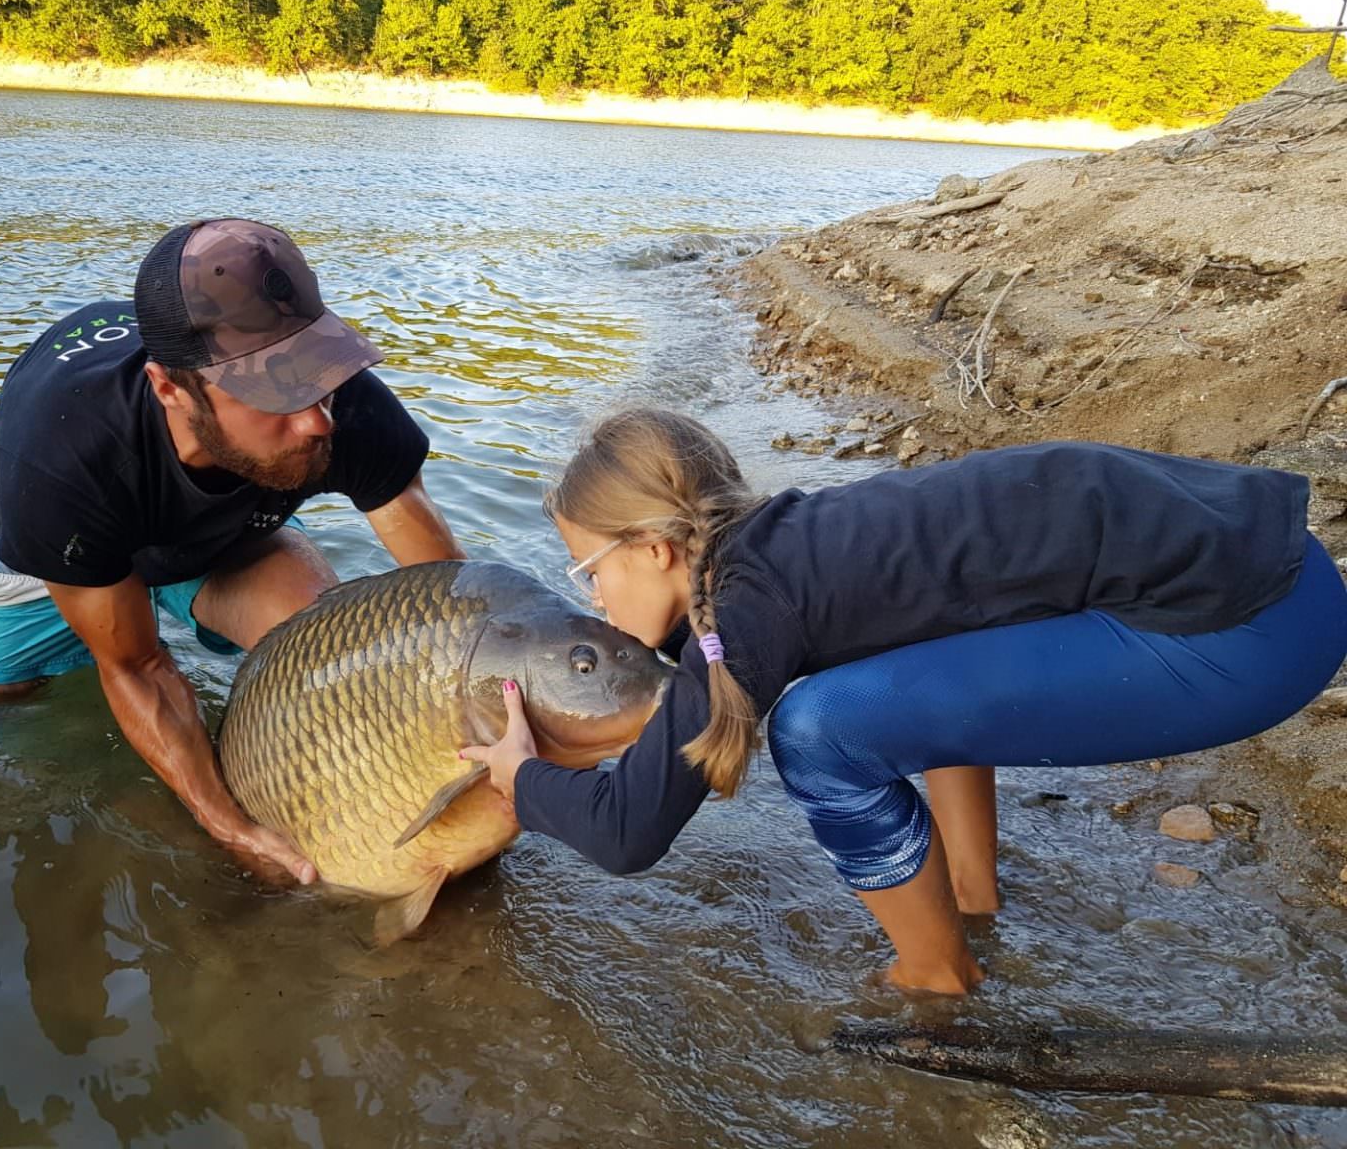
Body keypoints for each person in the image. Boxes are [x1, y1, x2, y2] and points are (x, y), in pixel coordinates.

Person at [461, 408, 1347, 994]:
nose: (594, 601)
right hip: (1287, 567)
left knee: (819, 732)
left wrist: (523, 777)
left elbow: (627, 835)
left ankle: (934, 973)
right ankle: (968, 894)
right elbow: (947, 678)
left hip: (1251, 636)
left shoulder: (743, 614)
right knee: (907, 679)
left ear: (654, 547)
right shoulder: (806, 540)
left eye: (588, 570)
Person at [0, 218, 464, 884]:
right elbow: (137, 668)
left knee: (327, 646)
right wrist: (229, 827)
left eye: (317, 373)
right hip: (58, 551)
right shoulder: (61, 461)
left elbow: (449, 600)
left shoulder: (340, 406)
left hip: (217, 540)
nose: (317, 421)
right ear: (169, 389)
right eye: (275, 390)